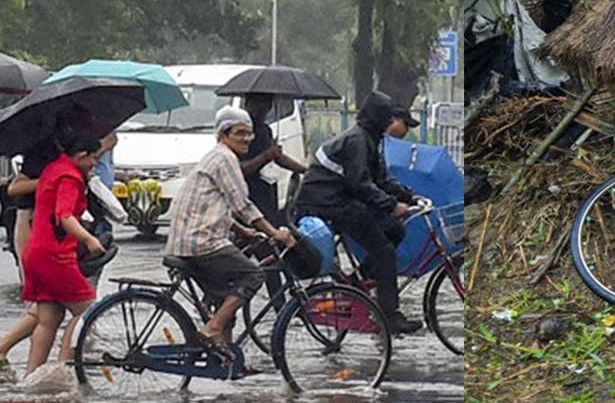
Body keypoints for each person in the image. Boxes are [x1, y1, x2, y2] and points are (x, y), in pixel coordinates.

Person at [164, 106, 294, 350]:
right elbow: (242, 204)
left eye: (249, 133)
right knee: (254, 275)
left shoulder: (215, 156)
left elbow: (215, 206)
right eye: (240, 133)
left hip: (188, 239)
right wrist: (274, 232)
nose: (246, 138)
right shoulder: (225, 159)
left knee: (227, 296)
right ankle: (213, 328)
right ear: (223, 134)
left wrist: (245, 232)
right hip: (201, 242)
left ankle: (228, 357)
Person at [294, 91, 422, 334]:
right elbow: (361, 184)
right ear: (379, 118)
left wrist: (408, 196)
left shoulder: (370, 139)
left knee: (394, 229)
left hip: (339, 197)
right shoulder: (357, 141)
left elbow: (380, 178)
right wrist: (392, 206)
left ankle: (356, 281)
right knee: (384, 253)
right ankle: (390, 314)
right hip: (327, 201)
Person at [18, 131, 105, 376]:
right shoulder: (70, 176)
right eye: (93, 159)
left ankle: (32, 376)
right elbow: (64, 215)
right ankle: (63, 369)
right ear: (80, 155)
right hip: (55, 255)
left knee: (50, 317)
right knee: (87, 310)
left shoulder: (53, 168)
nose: (94, 164)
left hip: (36, 251)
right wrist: (89, 239)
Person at [239, 94, 307, 303]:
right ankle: (280, 307)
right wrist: (266, 156)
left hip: (267, 199)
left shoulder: (265, 131)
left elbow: (279, 158)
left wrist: (306, 170)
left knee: (259, 254)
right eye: (256, 105)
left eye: (265, 106)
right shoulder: (241, 135)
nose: (261, 110)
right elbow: (240, 169)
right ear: (248, 105)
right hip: (246, 203)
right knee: (269, 256)